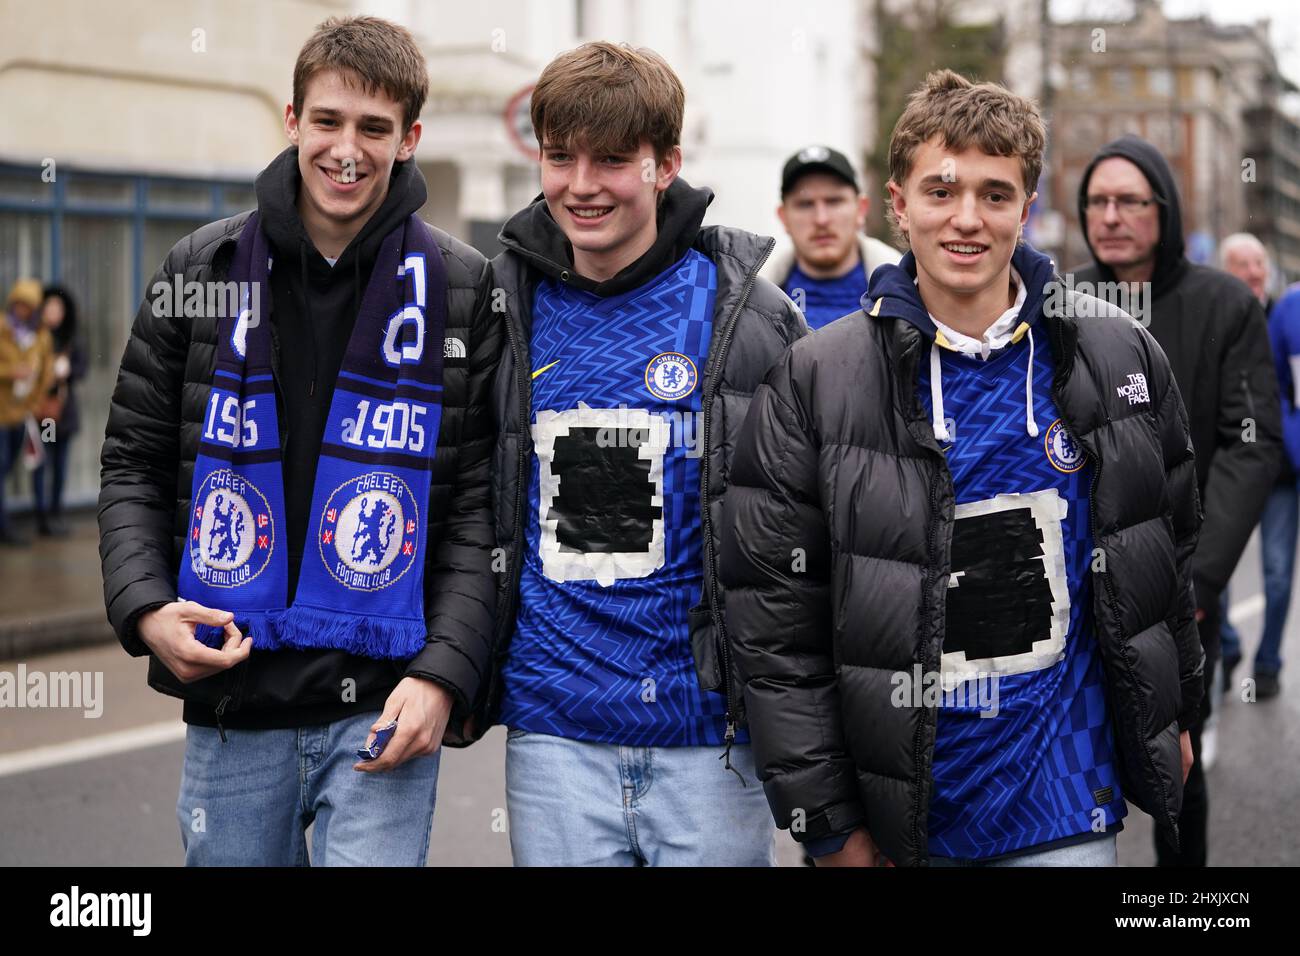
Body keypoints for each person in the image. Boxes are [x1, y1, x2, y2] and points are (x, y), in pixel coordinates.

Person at [721, 70, 1202, 867]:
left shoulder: (1115, 350)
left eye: (995, 193)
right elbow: (774, 622)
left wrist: (1174, 712)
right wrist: (827, 823)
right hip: (905, 819)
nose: (968, 218)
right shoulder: (816, 379)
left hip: (1066, 800)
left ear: (1028, 207)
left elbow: (1165, 554)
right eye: (941, 191)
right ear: (899, 204)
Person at [97, 15, 500, 866]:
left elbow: (477, 508)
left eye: (374, 128)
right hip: (232, 704)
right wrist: (144, 609)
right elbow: (132, 458)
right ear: (292, 121)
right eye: (327, 121)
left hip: (382, 710)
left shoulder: (465, 289)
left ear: (410, 139)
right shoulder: (198, 272)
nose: (346, 149)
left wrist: (442, 675)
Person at [478, 41, 806, 866]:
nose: (581, 186)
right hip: (554, 739)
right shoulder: (500, 306)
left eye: (614, 161)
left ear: (667, 165)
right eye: (561, 158)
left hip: (708, 746)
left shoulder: (751, 317)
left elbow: (808, 527)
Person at [1074, 136, 1281, 866]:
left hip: (1181, 584)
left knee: (1175, 772)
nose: (1112, 216)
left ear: (1164, 208)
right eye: (1098, 200)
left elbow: (1251, 444)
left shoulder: (1223, 303)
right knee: (1072, 763)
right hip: (1076, 584)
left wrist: (1197, 578)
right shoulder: (1058, 302)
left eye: (1131, 200)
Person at [1216, 234, 1284, 700]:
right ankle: (1227, 644)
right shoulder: (1215, 319)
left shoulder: (1286, 317)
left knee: (1278, 573)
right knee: (1213, 568)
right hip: (1229, 470)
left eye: (1260, 262)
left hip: (1282, 474)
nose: (1255, 272)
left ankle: (1268, 663)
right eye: (1243, 264)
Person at [760, 146, 901, 329]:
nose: (821, 219)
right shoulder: (749, 306)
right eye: (805, 204)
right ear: (783, 217)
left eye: (834, 201)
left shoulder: (913, 296)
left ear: (861, 209)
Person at [0, 277, 54, 546]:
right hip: (1, 414)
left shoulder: (40, 336)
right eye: (19, 304)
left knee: (36, 462)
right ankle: (5, 526)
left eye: (28, 306)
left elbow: (46, 374)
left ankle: (44, 517)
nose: (22, 310)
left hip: (27, 415)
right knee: (2, 467)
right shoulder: (2, 328)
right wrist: (12, 373)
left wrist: (34, 404)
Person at [32, 285, 87, 537]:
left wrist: (68, 370)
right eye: (49, 308)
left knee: (60, 465)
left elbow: (81, 369)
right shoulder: (35, 337)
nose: (53, 313)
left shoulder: (70, 338)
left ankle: (56, 512)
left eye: (58, 308)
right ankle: (43, 516)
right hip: (45, 415)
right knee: (44, 462)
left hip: (63, 413)